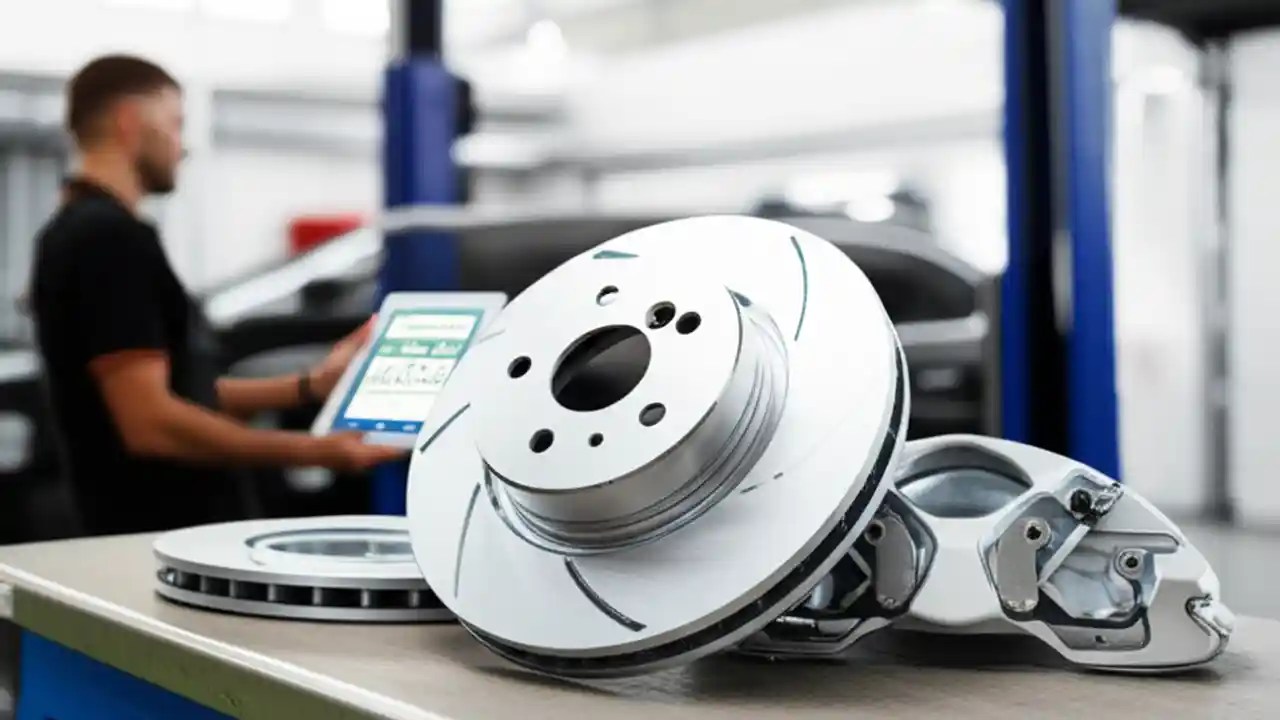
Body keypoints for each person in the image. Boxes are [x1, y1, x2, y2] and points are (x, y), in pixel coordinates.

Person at [28, 55, 404, 536]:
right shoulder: (107, 238)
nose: (182, 147)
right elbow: (152, 422)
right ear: (129, 121)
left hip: (152, 538)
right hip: (158, 540)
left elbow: (180, 393)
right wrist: (320, 450)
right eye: (175, 124)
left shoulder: (76, 232)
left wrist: (310, 386)